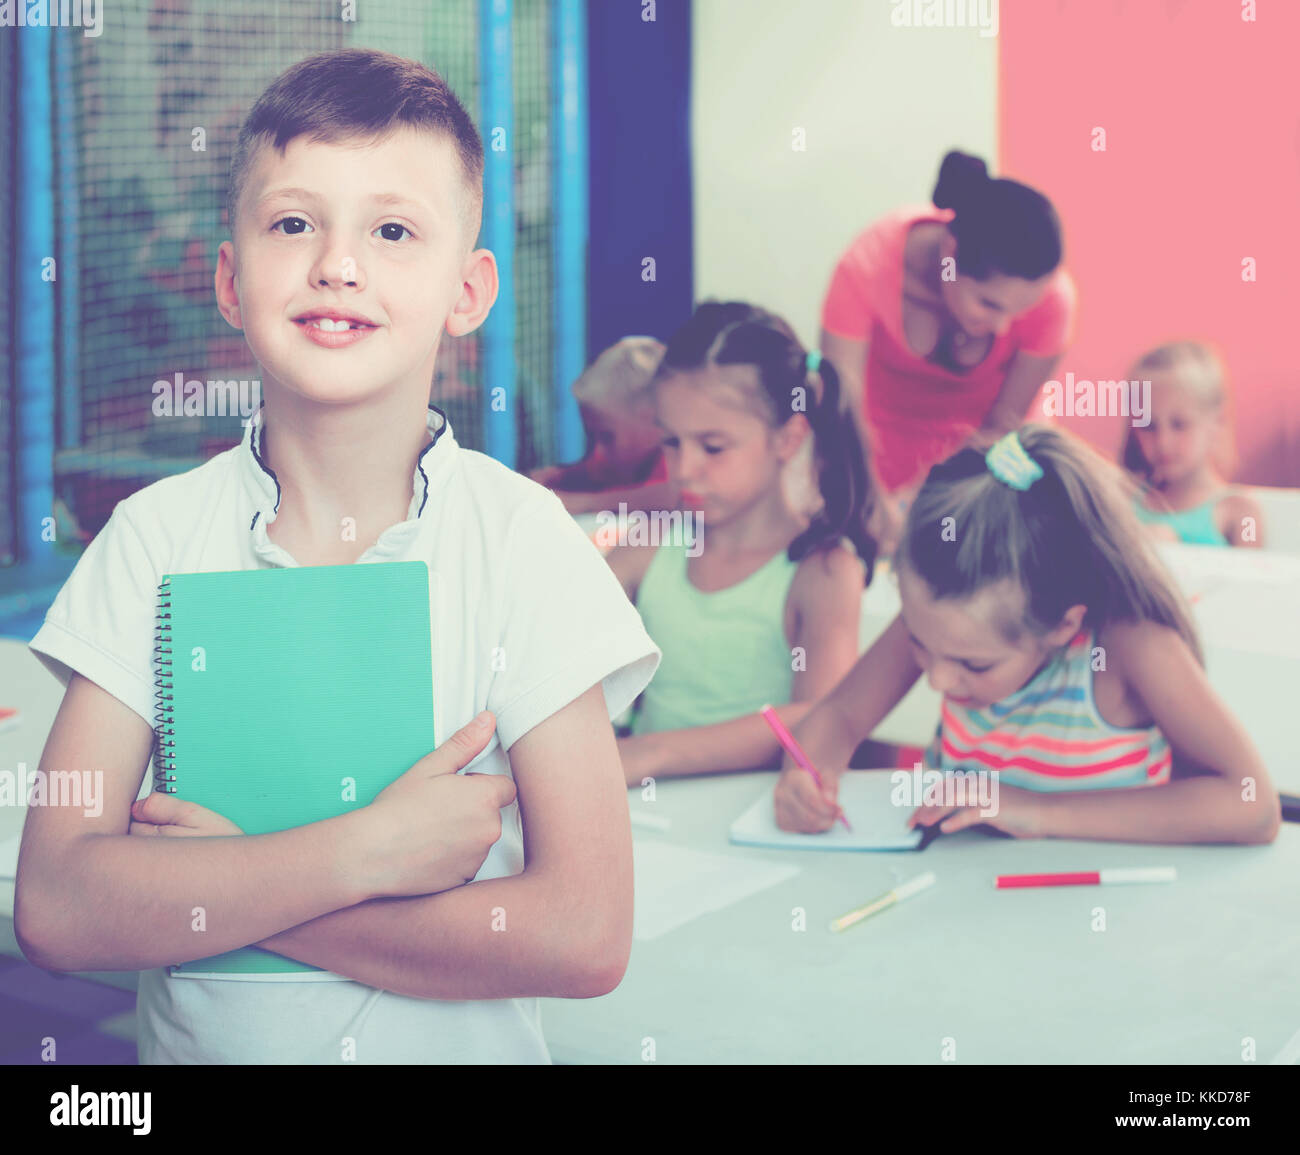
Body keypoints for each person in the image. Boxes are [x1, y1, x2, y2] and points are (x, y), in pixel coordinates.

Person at [15, 49, 660, 1064]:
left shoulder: (525, 543)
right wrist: (368, 852)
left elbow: (583, 935)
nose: (338, 265)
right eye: (292, 224)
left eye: (392, 230)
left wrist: (236, 889)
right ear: (231, 280)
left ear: (468, 290)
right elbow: (57, 906)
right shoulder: (152, 539)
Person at [773, 425, 1280, 845]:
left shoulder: (1131, 645)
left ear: (1063, 625)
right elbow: (839, 716)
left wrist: (1038, 812)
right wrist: (805, 776)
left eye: (975, 665)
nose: (938, 680)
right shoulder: (942, 624)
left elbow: (1252, 803)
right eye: (920, 647)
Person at [607, 301, 876, 784]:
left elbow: (823, 716)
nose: (684, 469)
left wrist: (652, 754)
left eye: (713, 447)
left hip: (757, 818)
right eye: (672, 442)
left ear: (787, 439)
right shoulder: (648, 546)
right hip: (644, 814)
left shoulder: (823, 572)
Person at [820, 149, 1076, 551]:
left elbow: (1002, 425)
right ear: (950, 254)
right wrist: (871, 499)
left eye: (1020, 311)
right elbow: (841, 407)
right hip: (874, 453)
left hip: (988, 458)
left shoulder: (1052, 299)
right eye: (989, 304)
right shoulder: (865, 269)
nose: (1004, 326)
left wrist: (925, 500)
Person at [1123, 341, 1264, 547]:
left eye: (1179, 424)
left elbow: (1253, 566)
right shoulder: (1124, 501)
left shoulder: (1243, 514)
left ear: (1218, 422)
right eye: (1148, 426)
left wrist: (1174, 550)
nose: (1163, 442)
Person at [529, 336, 679, 517]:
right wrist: (556, 477)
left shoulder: (677, 454)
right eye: (593, 436)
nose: (599, 451)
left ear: (653, 419)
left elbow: (673, 496)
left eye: (607, 437)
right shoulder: (614, 458)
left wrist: (584, 503)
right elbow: (590, 472)